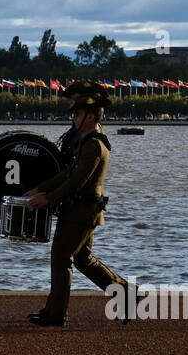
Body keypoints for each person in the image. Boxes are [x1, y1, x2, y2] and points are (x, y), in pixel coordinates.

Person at [24, 83, 128, 326]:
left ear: (90, 117)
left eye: (77, 113)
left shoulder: (93, 144)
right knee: (83, 259)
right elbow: (67, 174)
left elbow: (77, 181)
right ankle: (125, 294)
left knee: (61, 258)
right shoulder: (87, 140)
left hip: (81, 210)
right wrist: (41, 188)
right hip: (82, 209)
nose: (73, 117)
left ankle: (55, 314)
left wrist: (47, 199)